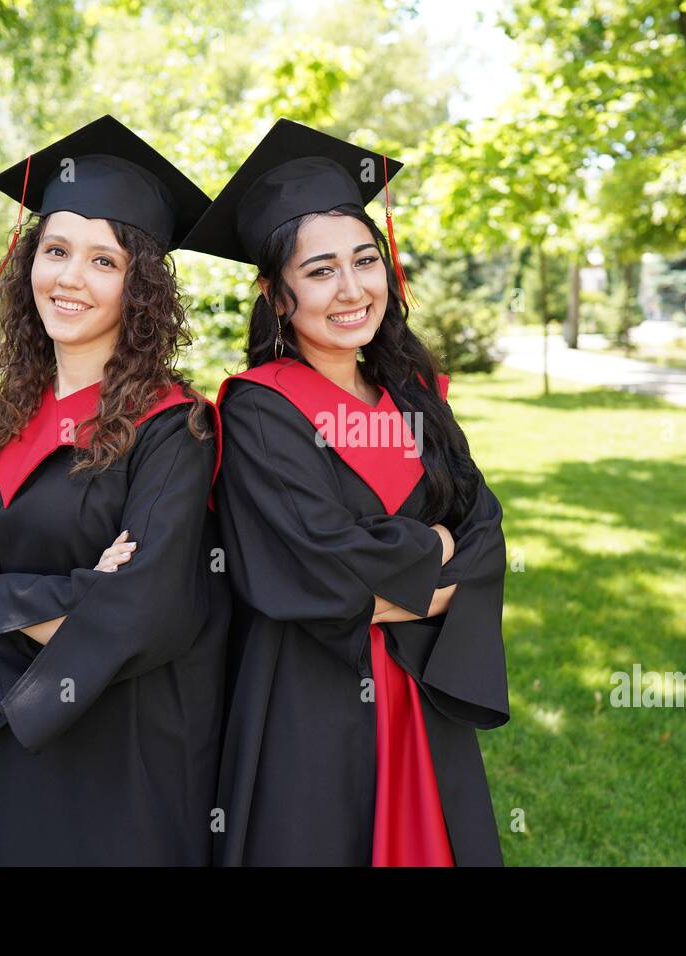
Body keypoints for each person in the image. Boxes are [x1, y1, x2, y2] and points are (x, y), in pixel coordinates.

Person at [181, 119, 509, 865]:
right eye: (321, 270)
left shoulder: (414, 394)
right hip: (309, 697)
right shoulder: (258, 405)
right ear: (276, 291)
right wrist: (438, 554)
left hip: (422, 691)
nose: (353, 288)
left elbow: (486, 533)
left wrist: (409, 566)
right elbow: (311, 568)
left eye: (366, 261)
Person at [0, 115, 228, 866]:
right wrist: (75, 594)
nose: (70, 277)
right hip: (14, 733)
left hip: (129, 753)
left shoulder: (174, 427)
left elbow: (145, 616)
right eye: (56, 251)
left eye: (103, 261)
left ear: (140, 284)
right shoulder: (9, 417)